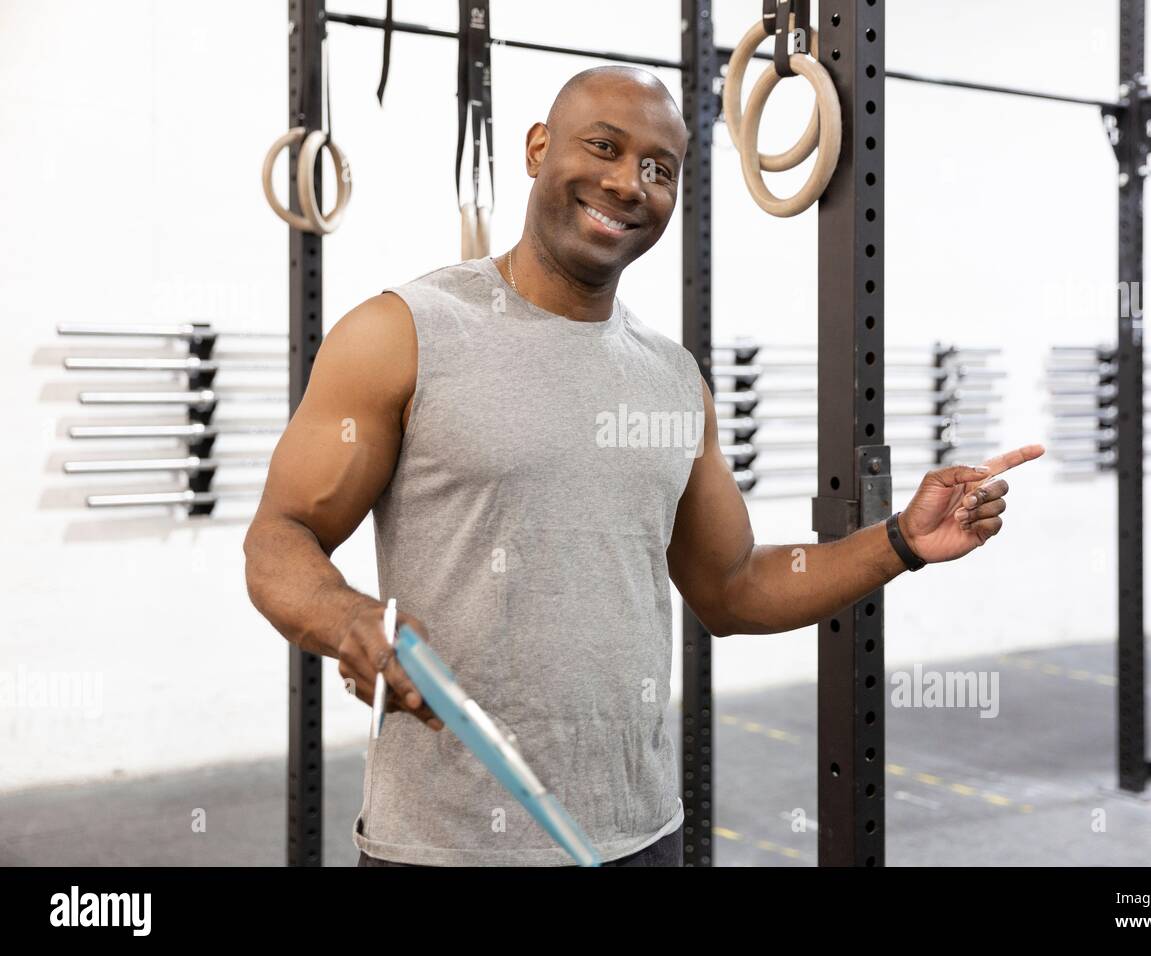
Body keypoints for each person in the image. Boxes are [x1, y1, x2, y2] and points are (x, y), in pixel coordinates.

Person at [242, 65, 1045, 868]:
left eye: (660, 170)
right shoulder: (403, 333)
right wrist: (350, 619)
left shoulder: (671, 379)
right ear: (536, 149)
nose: (630, 183)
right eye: (604, 148)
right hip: (443, 848)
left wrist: (900, 541)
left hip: (639, 836)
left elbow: (732, 587)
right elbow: (280, 536)